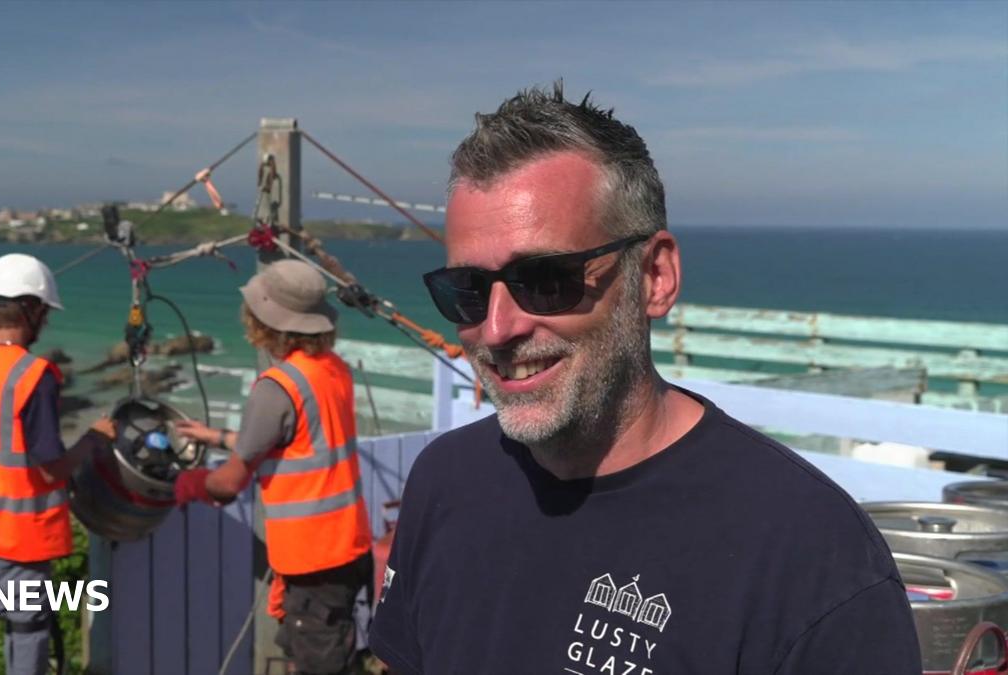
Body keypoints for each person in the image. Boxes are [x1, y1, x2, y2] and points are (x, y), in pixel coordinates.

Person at [369, 83, 921, 674]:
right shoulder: (444, 481)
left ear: (655, 277)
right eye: (468, 291)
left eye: (546, 279)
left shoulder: (812, 556)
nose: (498, 329)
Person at [174, 259, 374, 675]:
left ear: (263, 321)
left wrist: (188, 484)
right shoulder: (332, 370)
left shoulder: (277, 387)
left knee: (322, 664)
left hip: (312, 562)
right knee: (331, 654)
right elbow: (298, 443)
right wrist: (221, 438)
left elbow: (229, 484)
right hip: (348, 546)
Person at [0, 253, 114, 675]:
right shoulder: (34, 375)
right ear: (31, 309)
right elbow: (50, 468)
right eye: (45, 312)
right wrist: (94, 438)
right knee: (27, 635)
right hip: (16, 543)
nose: (46, 321)